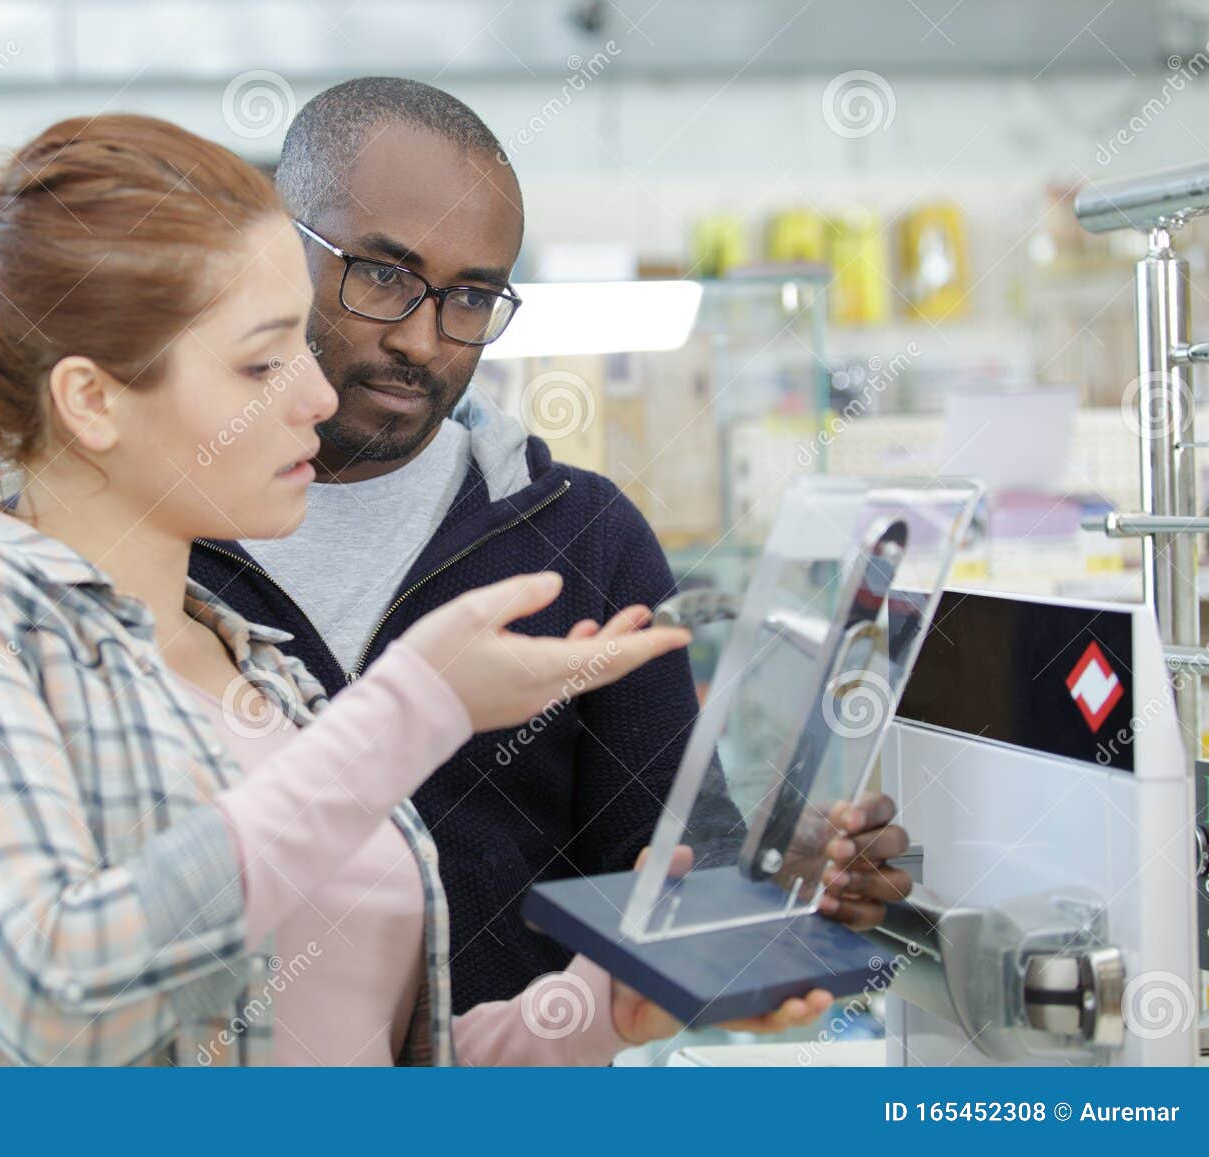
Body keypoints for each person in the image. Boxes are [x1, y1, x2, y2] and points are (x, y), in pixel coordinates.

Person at [0, 113, 837, 1066]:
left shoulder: (260, 666)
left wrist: (607, 1005)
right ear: (92, 400)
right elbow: (61, 995)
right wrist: (416, 705)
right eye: (261, 366)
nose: (314, 392)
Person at [189, 78, 913, 1014]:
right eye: (381, 275)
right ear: (280, 248)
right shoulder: (154, 536)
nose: (421, 338)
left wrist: (774, 878)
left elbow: (662, 855)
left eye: (473, 297)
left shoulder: (583, 538)